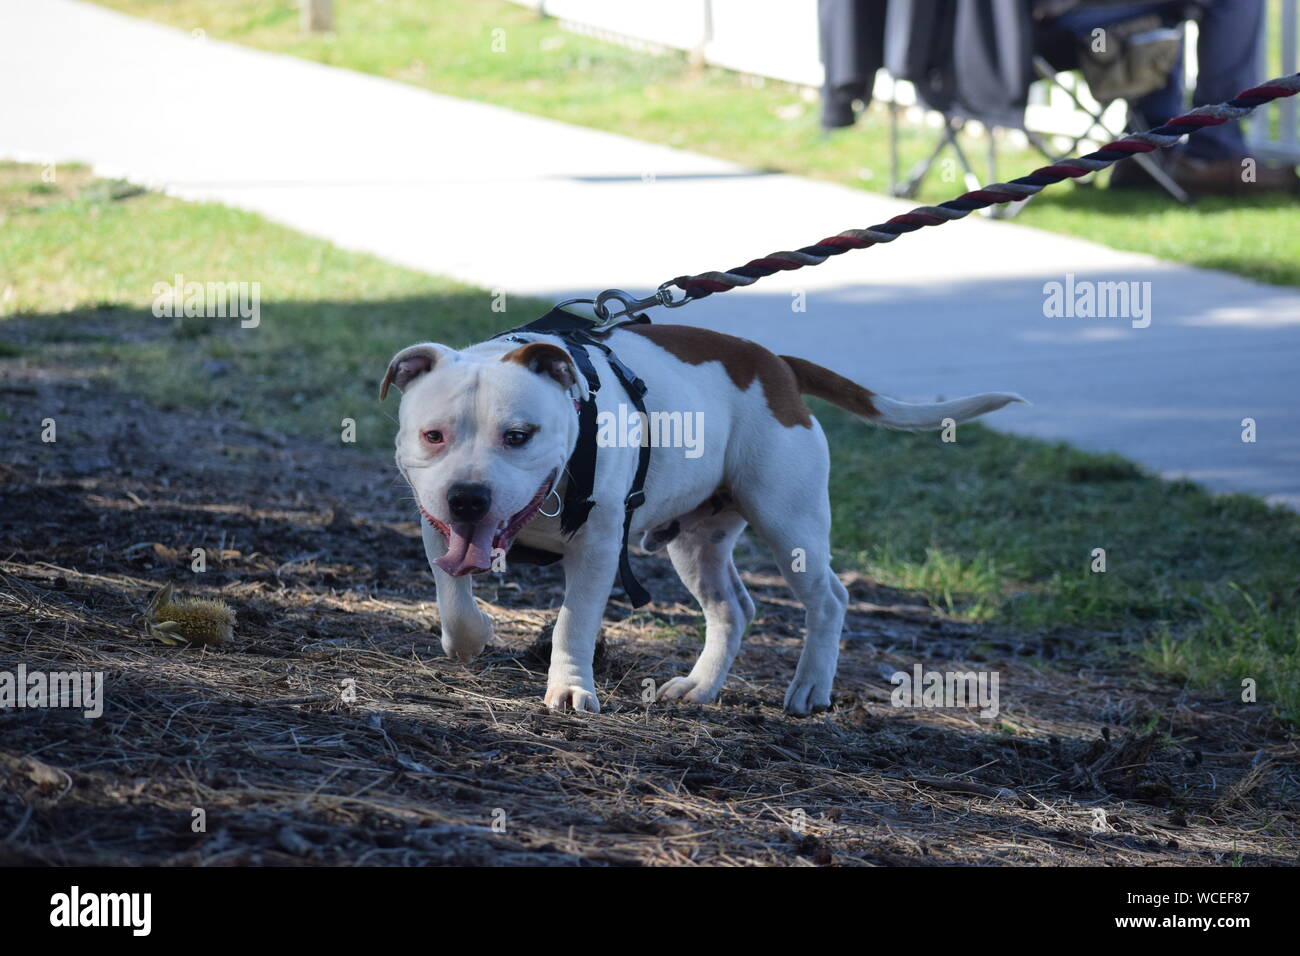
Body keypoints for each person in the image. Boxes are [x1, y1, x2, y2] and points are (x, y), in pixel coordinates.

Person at [1052, 0, 1297, 194]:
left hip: (1042, 22)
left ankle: (1151, 147)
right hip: (1059, 16)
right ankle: (1213, 153)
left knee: (1164, 14)